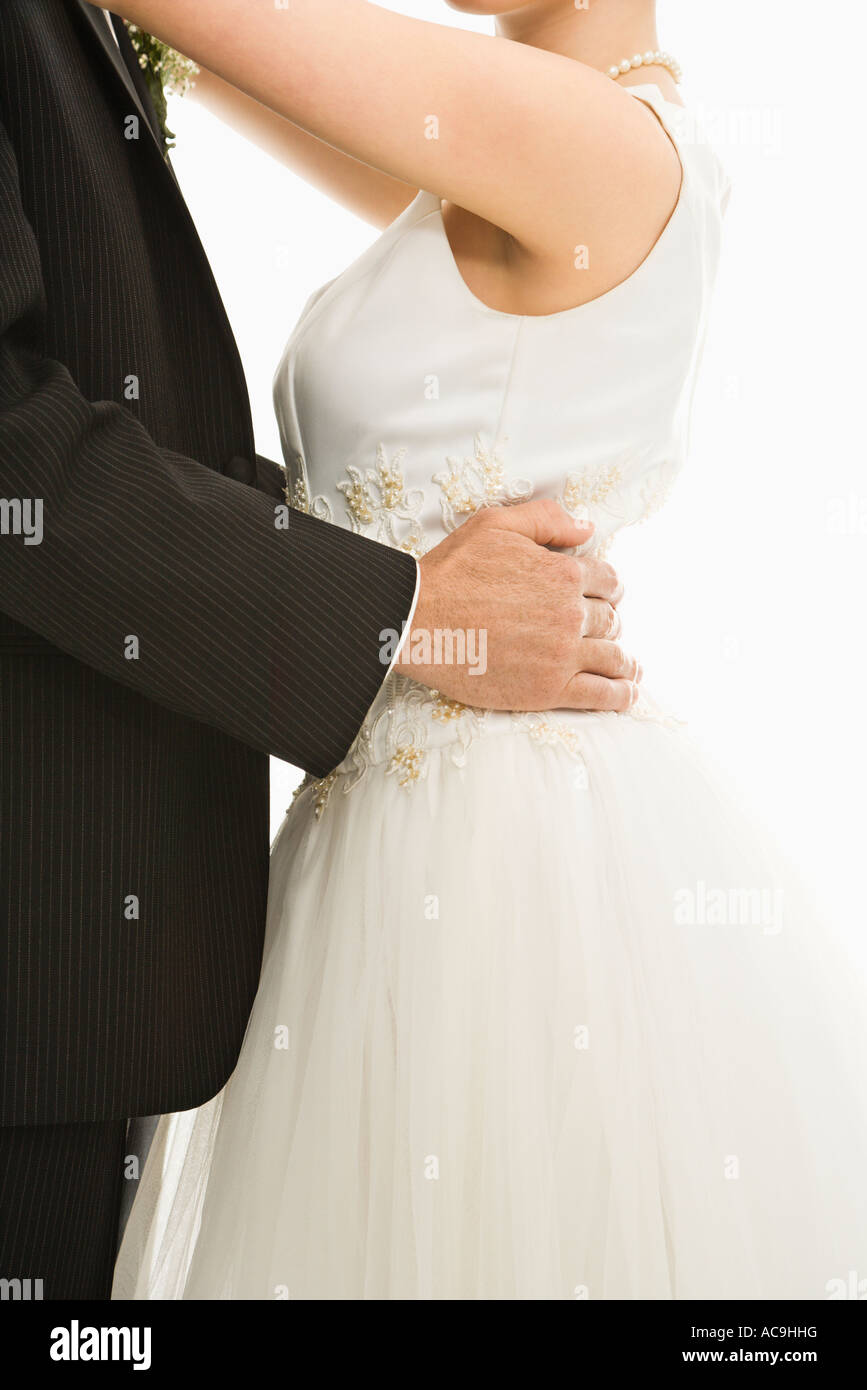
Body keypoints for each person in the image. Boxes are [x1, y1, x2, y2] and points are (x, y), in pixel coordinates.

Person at [95, 0, 867, 1299]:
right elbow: (233, 62)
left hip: (485, 842)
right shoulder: (523, 136)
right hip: (407, 809)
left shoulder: (585, 136)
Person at [0, 0, 632, 1300]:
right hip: (266, 846)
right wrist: (401, 605)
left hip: (468, 845)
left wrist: (401, 607)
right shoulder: (483, 128)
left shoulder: (597, 137)